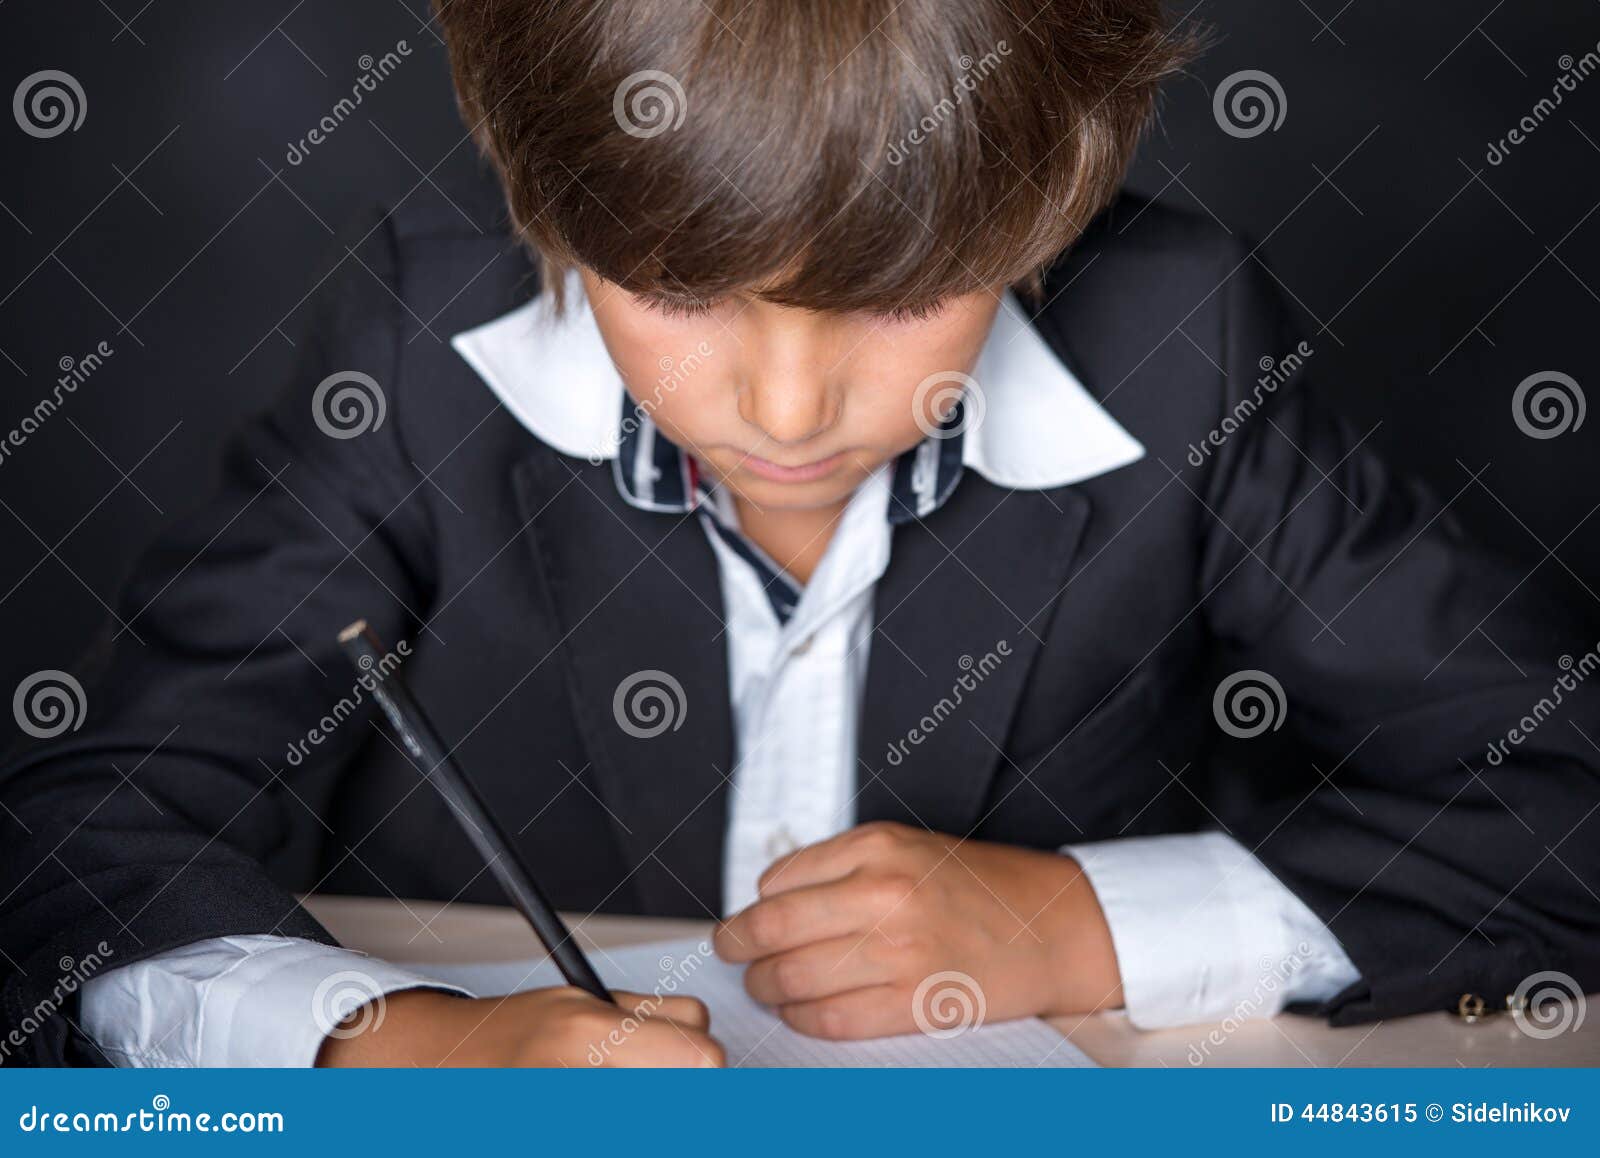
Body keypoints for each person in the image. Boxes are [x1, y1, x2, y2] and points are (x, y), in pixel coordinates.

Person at [2, 0, 1596, 1068]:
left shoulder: (1186, 339)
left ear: (1042, 217)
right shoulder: (418, 346)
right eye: (683, 291)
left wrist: (1068, 923)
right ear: (552, 213)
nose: (782, 402)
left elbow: (1563, 793)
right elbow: (91, 820)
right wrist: (403, 1038)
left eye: (899, 296)